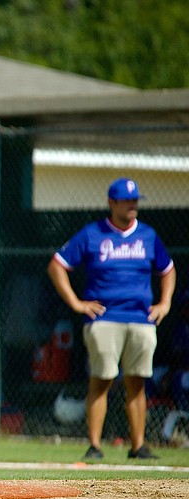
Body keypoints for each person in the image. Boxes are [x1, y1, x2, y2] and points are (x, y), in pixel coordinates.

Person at [47, 178, 176, 460]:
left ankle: (138, 445)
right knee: (101, 379)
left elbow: (167, 269)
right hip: (104, 317)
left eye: (135, 201)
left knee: (137, 381)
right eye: (127, 201)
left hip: (141, 318)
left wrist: (164, 303)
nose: (133, 206)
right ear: (112, 203)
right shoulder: (93, 234)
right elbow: (58, 264)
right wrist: (76, 303)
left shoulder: (147, 235)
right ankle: (94, 446)